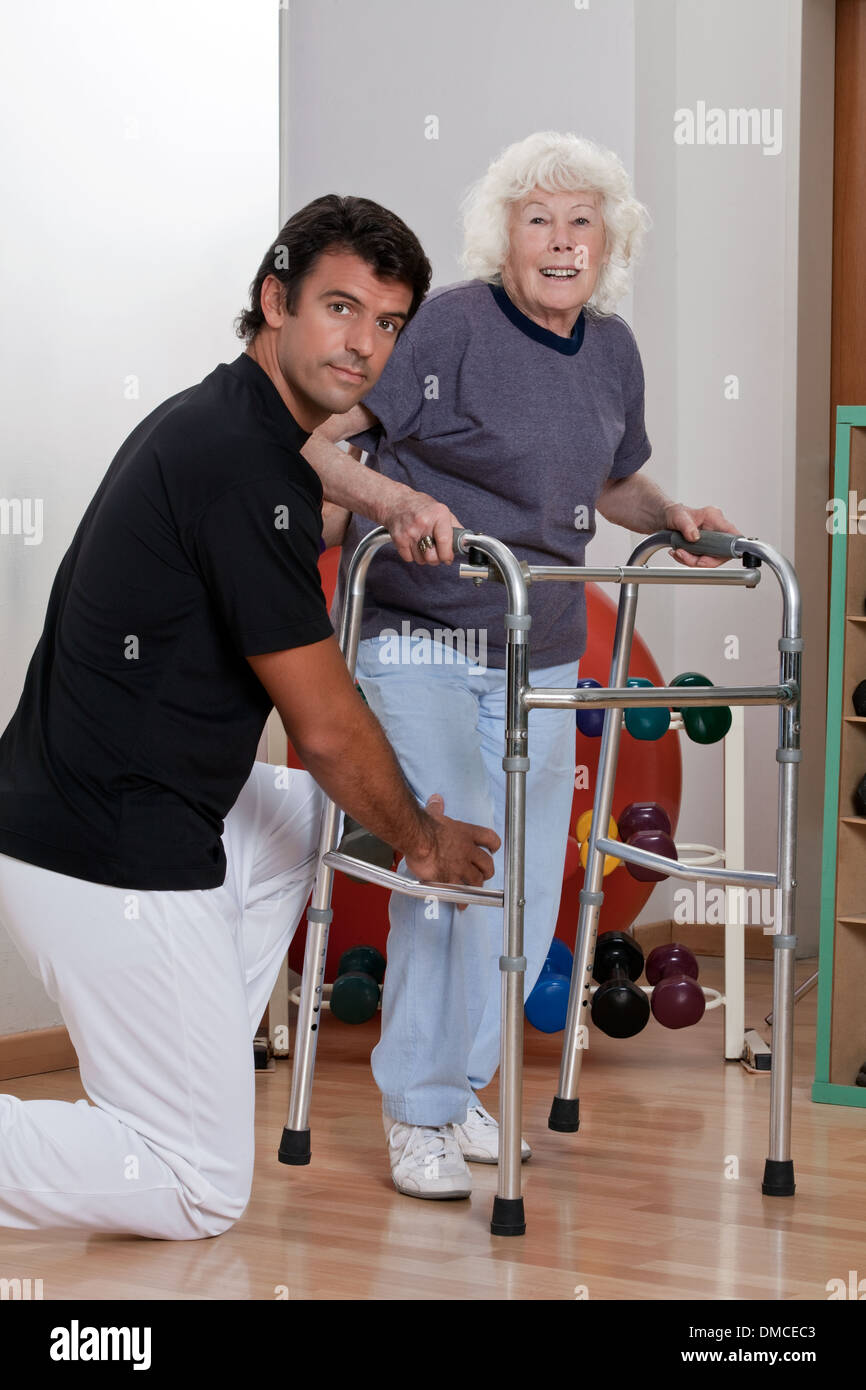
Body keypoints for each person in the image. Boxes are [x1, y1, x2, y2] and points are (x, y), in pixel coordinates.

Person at [0, 195, 500, 1240]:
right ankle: (180, 1127)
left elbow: (278, 529)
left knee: (297, 823)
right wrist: (420, 843)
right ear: (274, 301)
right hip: (107, 853)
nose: (362, 343)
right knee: (200, 1190)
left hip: (81, 816)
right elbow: (321, 727)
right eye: (338, 307)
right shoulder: (239, 464)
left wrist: (382, 504)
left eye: (387, 322)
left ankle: (192, 1079)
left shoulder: (227, 429)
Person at [301, 131, 741, 1201]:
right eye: (536, 218)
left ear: (609, 241)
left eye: (579, 220)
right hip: (420, 641)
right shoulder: (449, 324)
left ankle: (464, 1090)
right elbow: (316, 438)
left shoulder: (611, 350)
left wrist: (671, 511)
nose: (558, 240)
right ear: (502, 235)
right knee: (450, 864)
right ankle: (416, 1112)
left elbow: (610, 481)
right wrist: (398, 505)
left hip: (537, 653)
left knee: (528, 885)